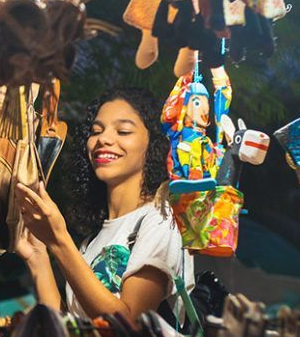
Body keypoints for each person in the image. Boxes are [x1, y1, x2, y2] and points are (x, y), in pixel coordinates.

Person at [15, 87, 193, 322]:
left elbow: (128, 324)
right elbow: (70, 329)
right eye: (96, 131)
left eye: (123, 131)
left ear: (154, 144)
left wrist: (59, 240)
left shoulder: (161, 219)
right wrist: (37, 256)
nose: (103, 139)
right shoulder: (92, 241)